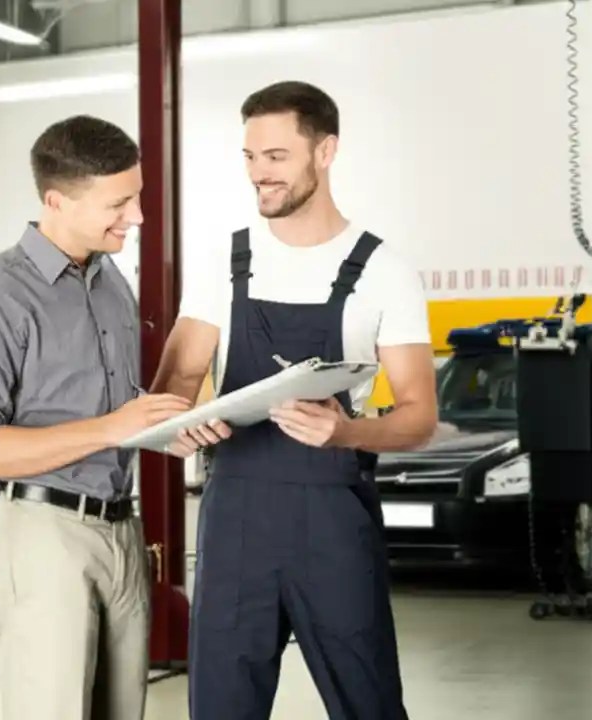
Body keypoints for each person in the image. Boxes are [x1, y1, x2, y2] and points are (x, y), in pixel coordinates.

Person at [151, 80, 438, 719]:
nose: (260, 173)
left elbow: (420, 417)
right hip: (235, 520)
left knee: (368, 702)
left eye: (277, 156)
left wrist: (346, 433)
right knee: (222, 705)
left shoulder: (385, 271)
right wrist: (178, 426)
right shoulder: (224, 262)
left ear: (325, 151)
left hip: (334, 521)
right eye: (250, 157)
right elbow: (174, 385)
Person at [0, 114, 190, 720]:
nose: (138, 217)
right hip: (43, 535)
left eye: (138, 197)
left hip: (121, 529)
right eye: (119, 204)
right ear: (57, 201)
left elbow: (106, 405)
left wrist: (162, 427)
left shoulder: (108, 281)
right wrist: (113, 428)